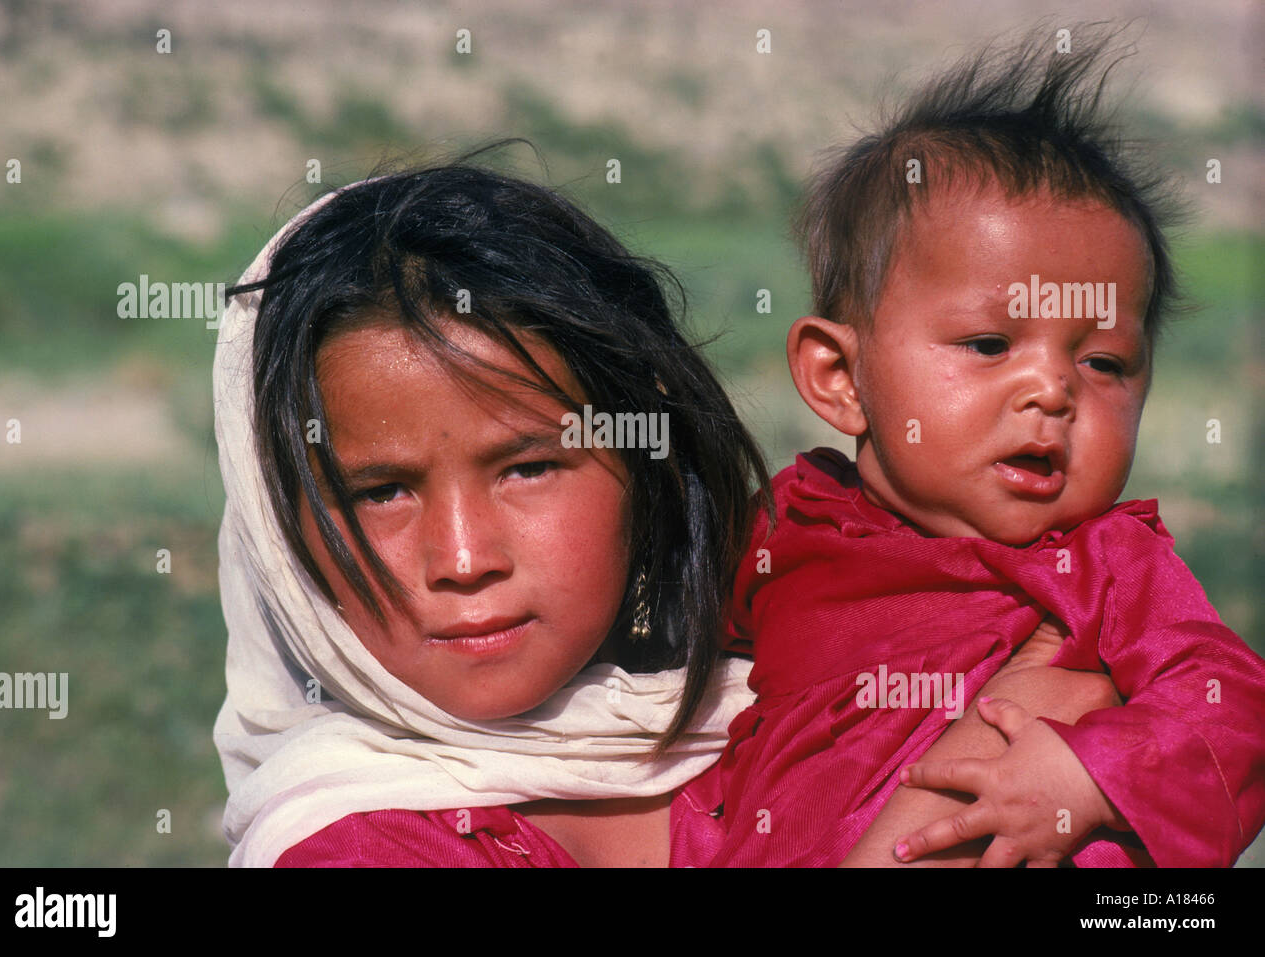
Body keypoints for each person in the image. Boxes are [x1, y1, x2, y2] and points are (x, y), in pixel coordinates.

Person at [212, 153, 1121, 868]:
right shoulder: (355, 842)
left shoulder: (801, 695)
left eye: (529, 467)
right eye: (383, 490)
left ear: (644, 461)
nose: (463, 557)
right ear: (280, 528)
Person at [715, 27, 1265, 867]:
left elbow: (1231, 704)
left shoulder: (1107, 563)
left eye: (1104, 362)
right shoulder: (786, 526)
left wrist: (1088, 775)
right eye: (988, 344)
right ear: (839, 375)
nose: (1051, 392)